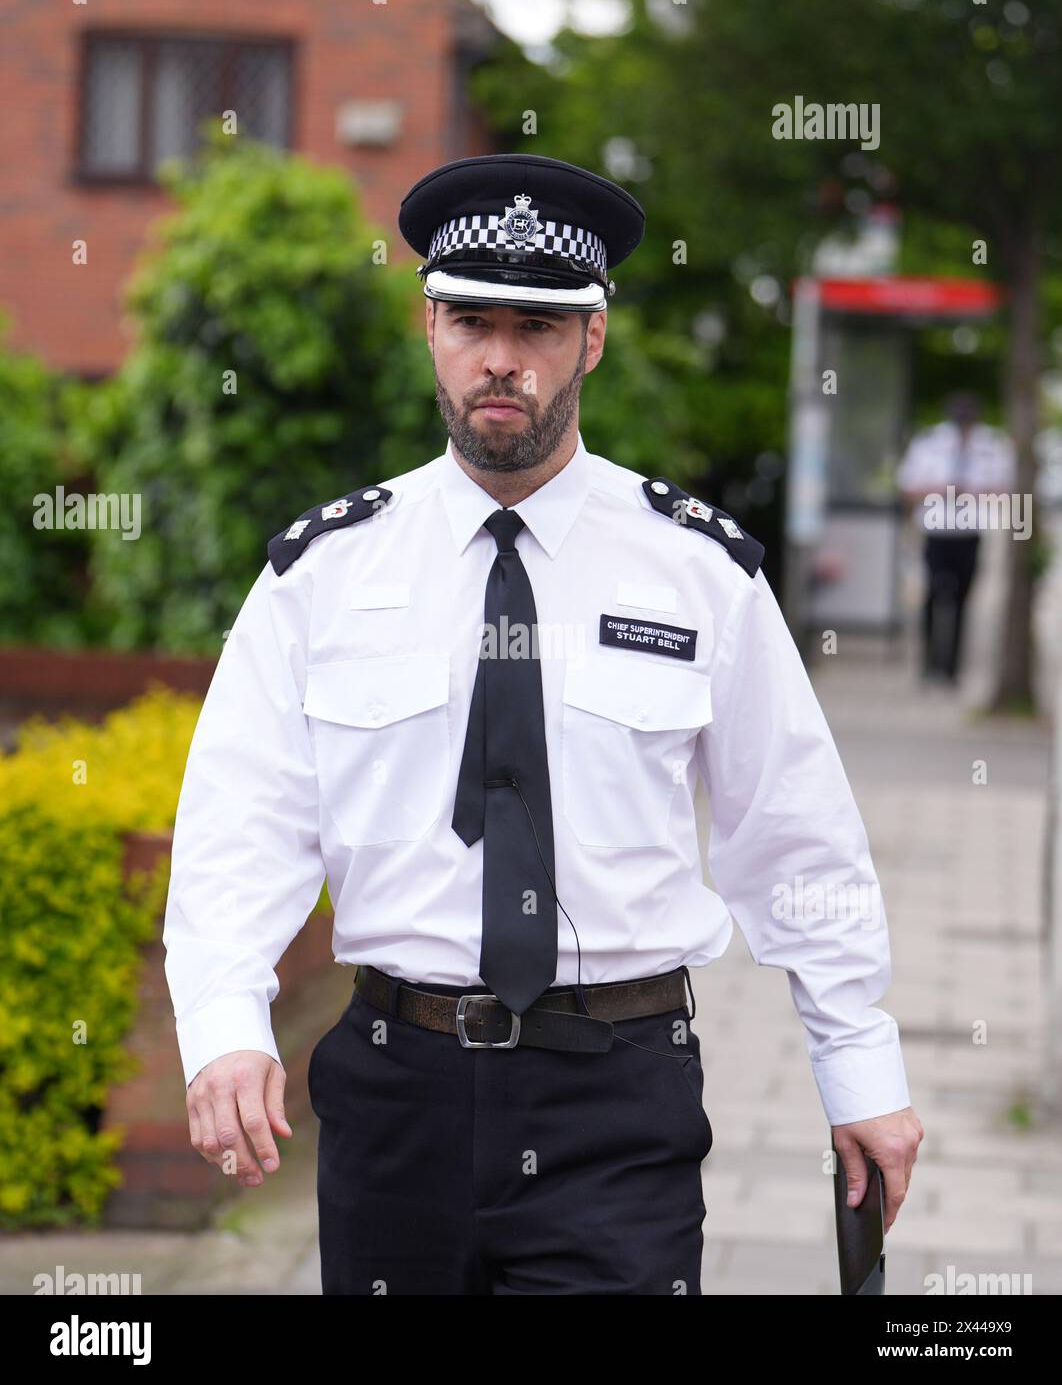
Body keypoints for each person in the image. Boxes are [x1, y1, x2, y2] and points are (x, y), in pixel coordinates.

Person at [162, 152, 923, 1296]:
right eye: (472, 319)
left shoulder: (697, 571)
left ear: (593, 339)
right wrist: (227, 1018)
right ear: (430, 327)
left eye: (541, 324)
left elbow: (794, 829)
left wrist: (857, 1059)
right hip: (392, 1094)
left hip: (616, 1097)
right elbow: (243, 821)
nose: (502, 358)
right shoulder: (321, 572)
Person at [896, 392, 1015, 685]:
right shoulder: (929, 443)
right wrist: (943, 490)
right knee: (932, 596)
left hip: (970, 532)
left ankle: (952, 669)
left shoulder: (992, 445)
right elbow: (909, 487)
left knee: (963, 600)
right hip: (936, 532)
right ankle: (929, 665)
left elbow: (1007, 489)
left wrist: (973, 492)